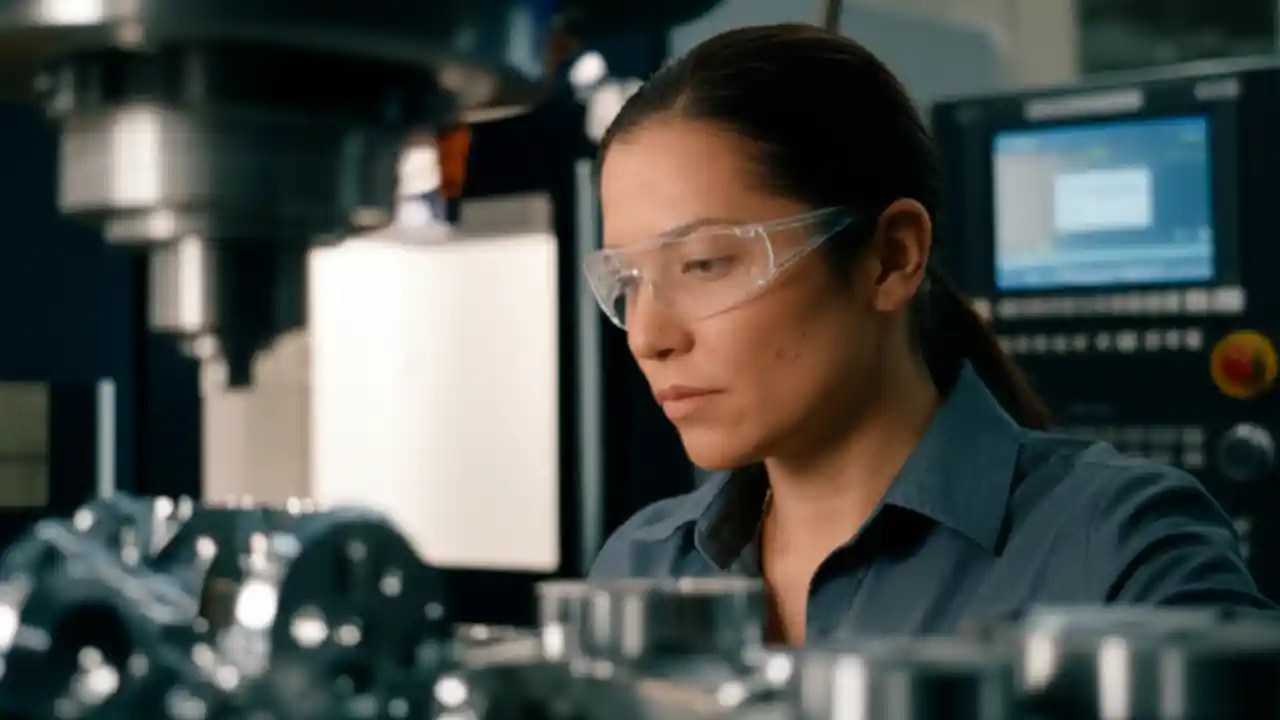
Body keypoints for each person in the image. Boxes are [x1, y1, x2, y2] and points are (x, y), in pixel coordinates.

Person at [580, 23, 1273, 646]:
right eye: (627, 283)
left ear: (891, 257)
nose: (647, 336)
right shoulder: (643, 566)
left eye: (704, 263)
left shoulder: (1122, 556)